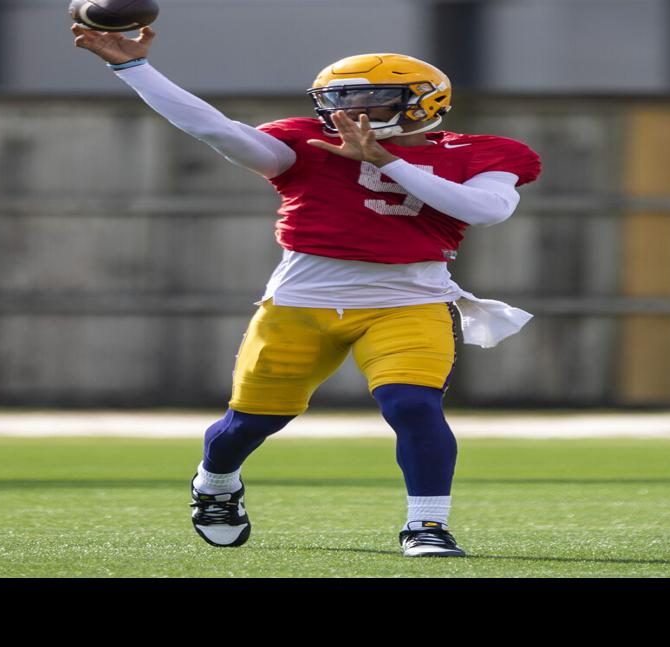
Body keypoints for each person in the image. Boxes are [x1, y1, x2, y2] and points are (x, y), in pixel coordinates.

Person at [72, 24, 541, 557]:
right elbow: (215, 130)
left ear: (421, 104)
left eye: (370, 97)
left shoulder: (483, 152)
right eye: (341, 98)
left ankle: (426, 525)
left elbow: (485, 211)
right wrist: (132, 67)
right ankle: (215, 483)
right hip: (301, 303)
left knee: (413, 405)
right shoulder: (306, 143)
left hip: (408, 301)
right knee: (251, 423)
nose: (352, 110)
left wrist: (386, 161)